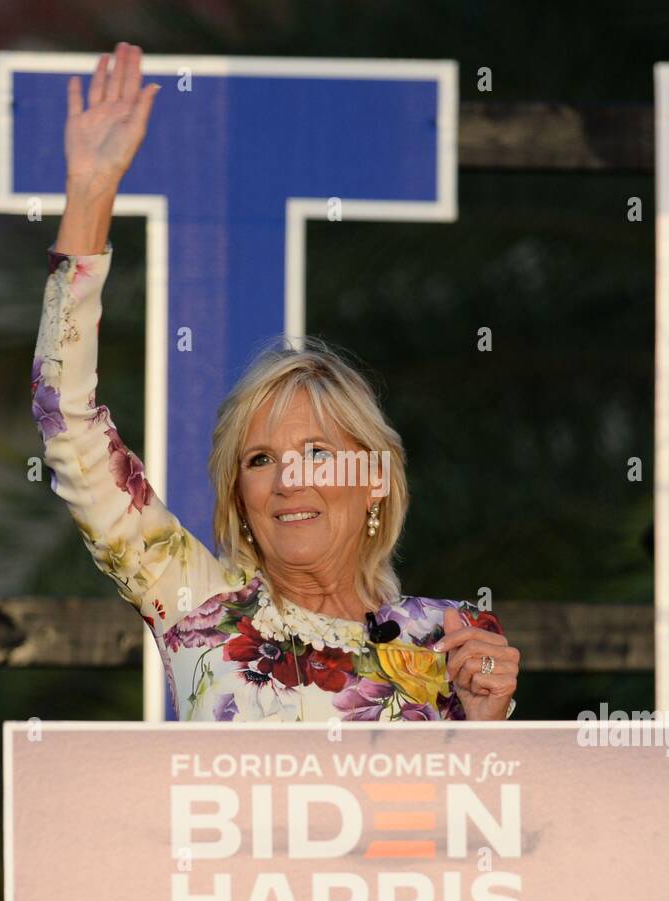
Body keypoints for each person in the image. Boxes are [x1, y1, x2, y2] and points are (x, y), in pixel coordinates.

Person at [32, 41, 519, 721]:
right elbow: (71, 428)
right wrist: (90, 191)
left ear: (375, 475)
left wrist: (487, 723)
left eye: (317, 452)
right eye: (260, 460)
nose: (289, 480)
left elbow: (483, 821)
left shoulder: (454, 639)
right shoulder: (197, 603)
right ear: (240, 493)